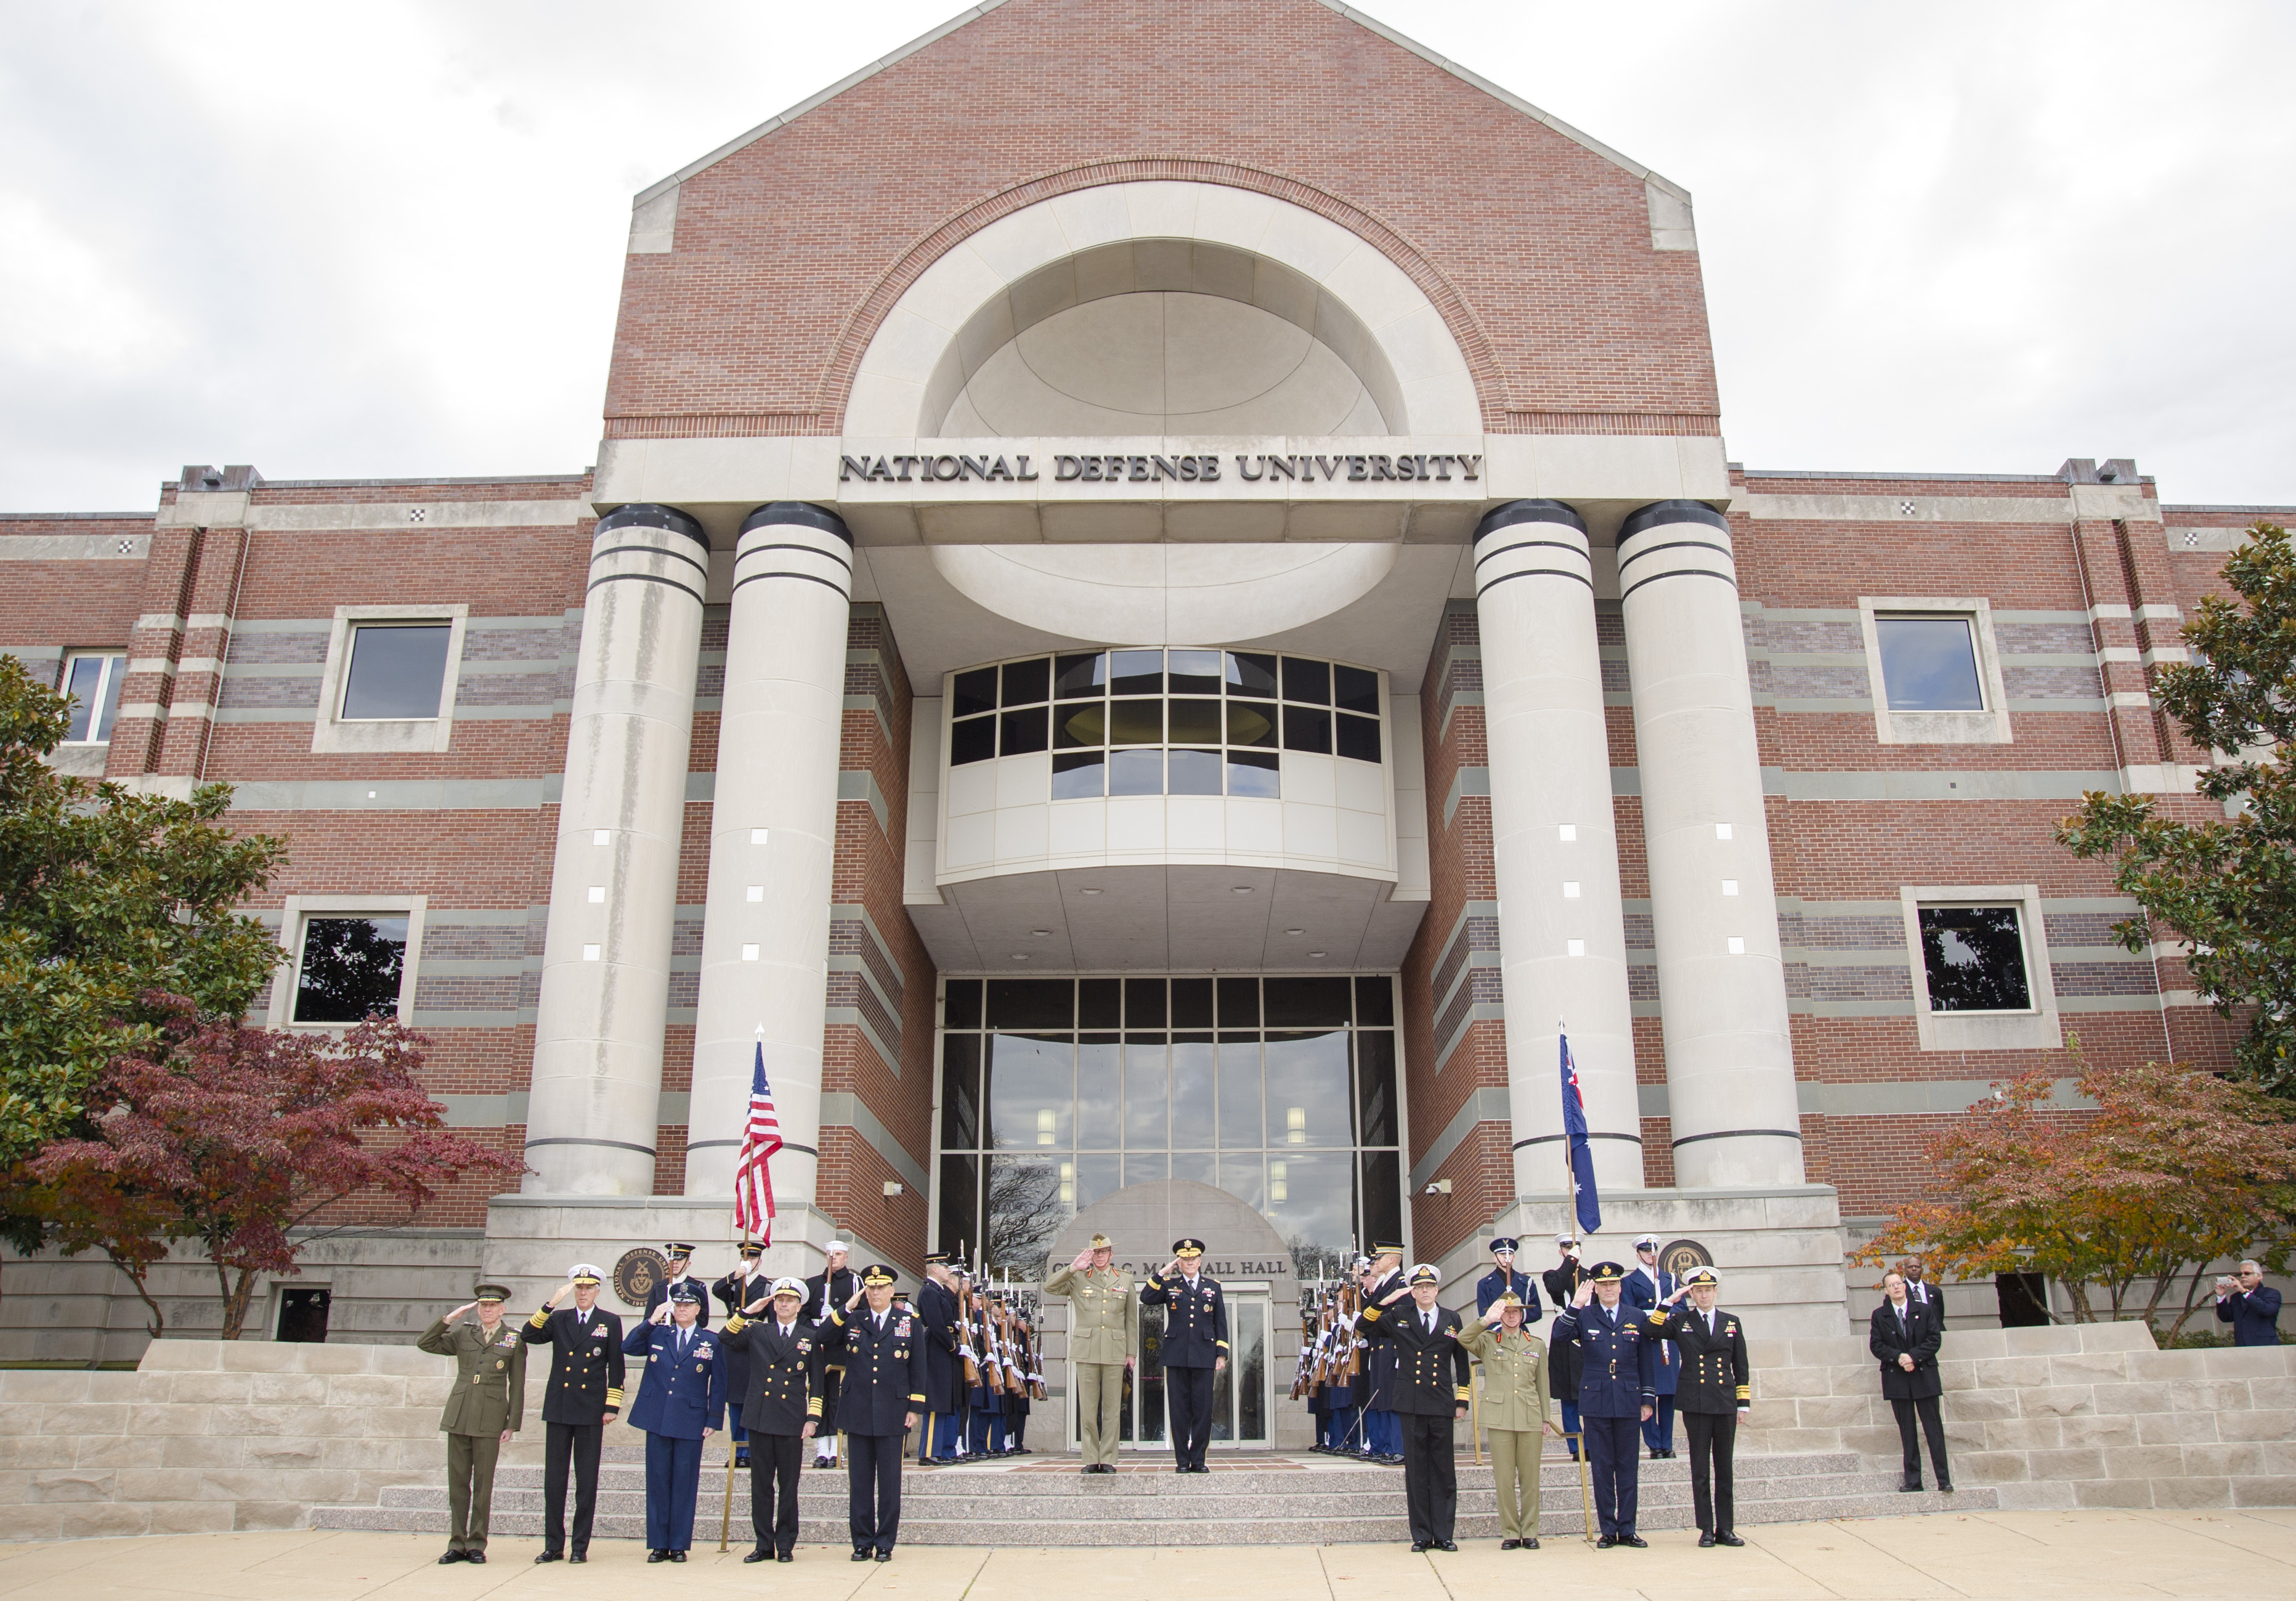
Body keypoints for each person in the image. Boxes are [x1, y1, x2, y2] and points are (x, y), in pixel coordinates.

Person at [1358, 1264, 1469, 1552]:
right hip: (1411, 1401)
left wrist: (1463, 1400)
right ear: (1413, 1291)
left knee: (1444, 1470)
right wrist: (1387, 1300)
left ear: (1437, 1289)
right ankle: (1421, 1534)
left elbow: (1462, 1362)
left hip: (1441, 1402)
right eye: (1418, 1288)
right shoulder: (1400, 1316)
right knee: (1417, 1470)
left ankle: (1444, 1533)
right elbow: (1364, 1325)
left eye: (1429, 1287)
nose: (1424, 1292)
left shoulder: (1452, 1318)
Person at [820, 1263, 926, 1562]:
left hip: (893, 1411)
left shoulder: (909, 1322)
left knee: (890, 1483)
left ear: (892, 1291)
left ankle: (884, 1543)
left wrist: (915, 1407)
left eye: (881, 1288)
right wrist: (846, 1306)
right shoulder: (854, 1320)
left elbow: (918, 1368)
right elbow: (823, 1336)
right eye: (871, 1288)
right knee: (861, 1482)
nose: (876, 1292)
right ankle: (862, 1541)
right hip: (857, 1410)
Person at [520, 1263, 623, 1564]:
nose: (583, 1293)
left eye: (588, 1288)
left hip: (591, 1410)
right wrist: (551, 1303)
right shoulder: (559, 1318)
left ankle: (580, 1547)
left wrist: (611, 1406)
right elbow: (529, 1334)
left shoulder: (610, 1321)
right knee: (555, 1480)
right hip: (560, 1407)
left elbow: (616, 1366)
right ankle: (553, 1545)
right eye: (578, 1288)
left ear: (597, 1291)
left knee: (586, 1481)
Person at [417, 1282, 527, 1565]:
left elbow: (517, 1385)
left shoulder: (513, 1340)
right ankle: (456, 1543)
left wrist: (512, 1423)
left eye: (492, 1306)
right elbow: (425, 1343)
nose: (487, 1310)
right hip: (460, 1414)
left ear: (502, 1309)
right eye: (483, 1305)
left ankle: (476, 1543)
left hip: (491, 1418)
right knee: (457, 1485)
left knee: (483, 1485)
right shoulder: (464, 1333)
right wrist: (449, 1319)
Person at [718, 1275, 822, 1564]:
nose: (784, 1304)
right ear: (772, 1303)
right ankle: (764, 1544)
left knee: (789, 1486)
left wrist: (812, 1418)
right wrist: (747, 1311)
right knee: (760, 1485)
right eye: (779, 1299)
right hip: (761, 1416)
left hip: (791, 1419)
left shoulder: (809, 1337)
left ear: (799, 1305)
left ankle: (786, 1544)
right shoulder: (757, 1331)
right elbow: (725, 1337)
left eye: (789, 1300)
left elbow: (817, 1381)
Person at [1647, 1266, 1751, 1547]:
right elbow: (1651, 1329)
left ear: (1716, 1292)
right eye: (1699, 1291)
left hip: (1725, 1401)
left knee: (1724, 1468)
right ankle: (1706, 1528)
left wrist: (1743, 1404)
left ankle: (1726, 1528)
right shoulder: (1681, 1320)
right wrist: (1670, 1299)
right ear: (1692, 1293)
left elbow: (1741, 1366)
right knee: (1701, 1468)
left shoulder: (1731, 1322)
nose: (1704, 1295)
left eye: (1709, 1290)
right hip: (1696, 1401)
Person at [623, 1279, 726, 1562]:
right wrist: (651, 1320)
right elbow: (628, 1347)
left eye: (688, 1305)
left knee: (684, 1482)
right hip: (657, 1416)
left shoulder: (711, 1341)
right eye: (678, 1304)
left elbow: (718, 1384)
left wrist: (714, 1418)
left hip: (691, 1419)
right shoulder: (658, 1335)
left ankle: (679, 1544)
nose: (682, 1309)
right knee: (658, 1482)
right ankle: (658, 1544)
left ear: (698, 1309)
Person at [1555, 1262, 1655, 1549]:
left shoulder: (1635, 1316)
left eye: (1613, 1284)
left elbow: (1645, 1360)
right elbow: (1559, 1336)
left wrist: (1647, 1399)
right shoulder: (1584, 1316)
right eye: (1603, 1285)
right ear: (1596, 1289)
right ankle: (1608, 1530)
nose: (1608, 1289)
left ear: (1620, 1287)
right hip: (1596, 1400)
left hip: (1628, 1399)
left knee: (1627, 1467)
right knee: (1601, 1468)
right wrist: (1575, 1305)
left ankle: (1628, 1529)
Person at [1456, 1291, 1557, 1551]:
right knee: (1504, 1479)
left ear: (1522, 1316)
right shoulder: (1489, 1340)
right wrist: (1485, 1320)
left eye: (1516, 1312)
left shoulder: (1536, 1344)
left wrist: (1546, 1418)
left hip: (1529, 1416)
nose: (1511, 1316)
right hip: (1500, 1418)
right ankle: (1511, 1532)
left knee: (1530, 1479)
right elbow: (1463, 1338)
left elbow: (1542, 1384)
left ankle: (1530, 1531)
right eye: (1506, 1312)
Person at [1042, 1232, 1135, 1475]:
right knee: (1088, 1410)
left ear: (1111, 1254)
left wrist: (1131, 1354)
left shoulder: (1125, 1280)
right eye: (1096, 1252)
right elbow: (1049, 1287)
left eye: (1104, 1251)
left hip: (1115, 1350)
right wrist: (1073, 1267)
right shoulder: (1078, 1278)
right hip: (1086, 1351)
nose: (1100, 1256)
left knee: (1112, 1410)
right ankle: (1091, 1458)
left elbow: (1131, 1320)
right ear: (1090, 1255)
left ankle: (1108, 1459)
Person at [1142, 1238, 1228, 1473]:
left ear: (1200, 1261)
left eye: (1193, 1259)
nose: (1189, 1262)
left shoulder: (1214, 1286)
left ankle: (1198, 1460)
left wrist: (1221, 1354)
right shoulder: (1170, 1286)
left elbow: (1220, 1321)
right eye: (1185, 1259)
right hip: (1177, 1356)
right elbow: (1146, 1298)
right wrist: (1162, 1273)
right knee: (1179, 1411)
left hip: (1204, 1355)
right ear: (1179, 1262)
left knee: (1203, 1410)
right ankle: (1182, 1461)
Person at [1870, 1270, 1950, 1493]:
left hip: (1924, 1375)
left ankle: (1943, 1480)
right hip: (1898, 1379)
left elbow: (1934, 1339)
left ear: (1905, 1287)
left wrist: (1913, 1356)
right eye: (1891, 1285)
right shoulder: (1880, 1315)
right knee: (1907, 1433)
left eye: (1899, 1283)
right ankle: (1914, 1481)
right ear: (1886, 1290)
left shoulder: (1923, 1310)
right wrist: (1899, 1358)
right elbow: (1877, 1346)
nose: (1896, 1287)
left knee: (1933, 1429)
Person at [1623, 1234, 1680, 1457]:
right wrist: (1654, 1315)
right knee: (1647, 1393)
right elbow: (1629, 1311)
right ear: (1638, 1254)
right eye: (1646, 1251)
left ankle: (1666, 1442)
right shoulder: (1629, 1282)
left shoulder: (1670, 1280)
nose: (1650, 1255)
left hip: (1667, 1342)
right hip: (1645, 1341)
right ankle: (1653, 1442)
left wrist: (1668, 1314)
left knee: (1668, 1394)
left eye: (1653, 1251)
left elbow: (1681, 1307)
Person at [712, 1242, 768, 1467]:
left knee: (751, 1400)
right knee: (735, 1401)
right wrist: (736, 1274)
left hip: (754, 1344)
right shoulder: (735, 1285)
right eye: (746, 1257)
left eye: (753, 1258)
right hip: (733, 1345)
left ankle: (749, 1452)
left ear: (760, 1261)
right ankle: (737, 1450)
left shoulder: (767, 1287)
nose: (750, 1261)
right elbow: (717, 1290)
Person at [805, 1241, 859, 1469]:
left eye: (838, 1255)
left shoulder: (853, 1283)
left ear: (846, 1258)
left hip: (839, 1349)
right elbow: (803, 1316)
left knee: (837, 1399)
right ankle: (821, 1450)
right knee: (819, 1397)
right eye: (830, 1254)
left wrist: (835, 1321)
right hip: (818, 1348)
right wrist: (817, 1326)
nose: (833, 1258)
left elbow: (859, 1315)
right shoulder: (813, 1284)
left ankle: (837, 1450)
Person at [1356, 1241, 1407, 1464]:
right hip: (1379, 1348)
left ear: (1393, 1259)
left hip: (1391, 1348)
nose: (1376, 1262)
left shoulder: (1401, 1283)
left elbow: (1402, 1318)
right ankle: (1387, 1446)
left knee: (1392, 1399)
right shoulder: (1385, 1284)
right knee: (1381, 1399)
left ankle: (1399, 1448)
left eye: (1380, 1258)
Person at [1541, 1235, 1587, 1461]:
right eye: (1567, 1247)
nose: (1571, 1250)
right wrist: (1570, 1262)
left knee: (1589, 1394)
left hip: (1587, 1331)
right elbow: (1557, 1287)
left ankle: (1592, 1443)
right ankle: (1576, 1446)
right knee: (1568, 1395)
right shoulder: (1552, 1275)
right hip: (1564, 1330)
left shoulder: (1590, 1276)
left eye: (1575, 1247)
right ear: (1561, 1250)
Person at [917, 1253, 965, 1463]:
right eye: (945, 1267)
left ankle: (944, 1450)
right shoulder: (929, 1292)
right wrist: (954, 1346)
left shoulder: (939, 1292)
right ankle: (928, 1452)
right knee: (936, 1401)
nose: (949, 1271)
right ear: (934, 1269)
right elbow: (936, 1325)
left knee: (947, 1400)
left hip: (945, 1348)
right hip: (937, 1348)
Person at [2215, 1261, 2284, 1345]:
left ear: (2258, 1276)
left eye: (2247, 1273)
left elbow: (2267, 1310)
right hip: (2242, 1347)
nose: (2243, 1276)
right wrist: (2221, 1297)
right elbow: (2226, 1318)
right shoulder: (2236, 1297)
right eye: (2241, 1274)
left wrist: (2244, 1292)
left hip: (2265, 1346)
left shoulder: (2271, 1293)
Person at [1475, 1238, 1543, 1323]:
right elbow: (1484, 1314)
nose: (1506, 1257)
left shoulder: (1527, 1282)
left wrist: (1516, 1318)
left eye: (1509, 1254)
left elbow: (1536, 1312)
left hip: (1520, 1330)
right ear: (1495, 1258)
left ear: (1514, 1257)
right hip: (1496, 1332)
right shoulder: (1484, 1284)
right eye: (1502, 1254)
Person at [644, 1242, 709, 1329]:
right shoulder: (658, 1287)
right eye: (672, 1260)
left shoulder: (697, 1287)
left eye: (679, 1260)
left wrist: (679, 1314)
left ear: (688, 1264)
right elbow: (648, 1319)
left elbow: (703, 1321)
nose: (675, 1263)